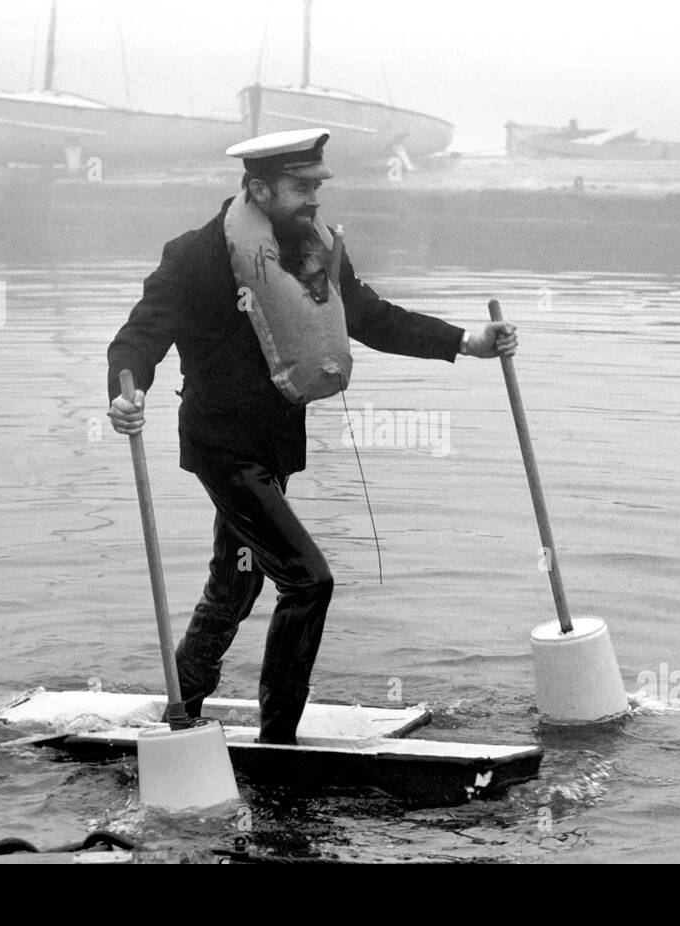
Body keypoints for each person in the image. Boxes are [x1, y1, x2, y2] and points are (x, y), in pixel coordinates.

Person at [106, 128, 517, 745]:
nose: (313, 200)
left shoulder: (313, 247)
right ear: (258, 187)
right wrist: (125, 389)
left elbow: (371, 317)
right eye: (300, 188)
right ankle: (278, 743)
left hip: (274, 446)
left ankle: (182, 708)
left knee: (236, 581)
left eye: (317, 186)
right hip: (223, 447)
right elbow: (139, 335)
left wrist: (465, 341)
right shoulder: (195, 255)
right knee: (308, 580)